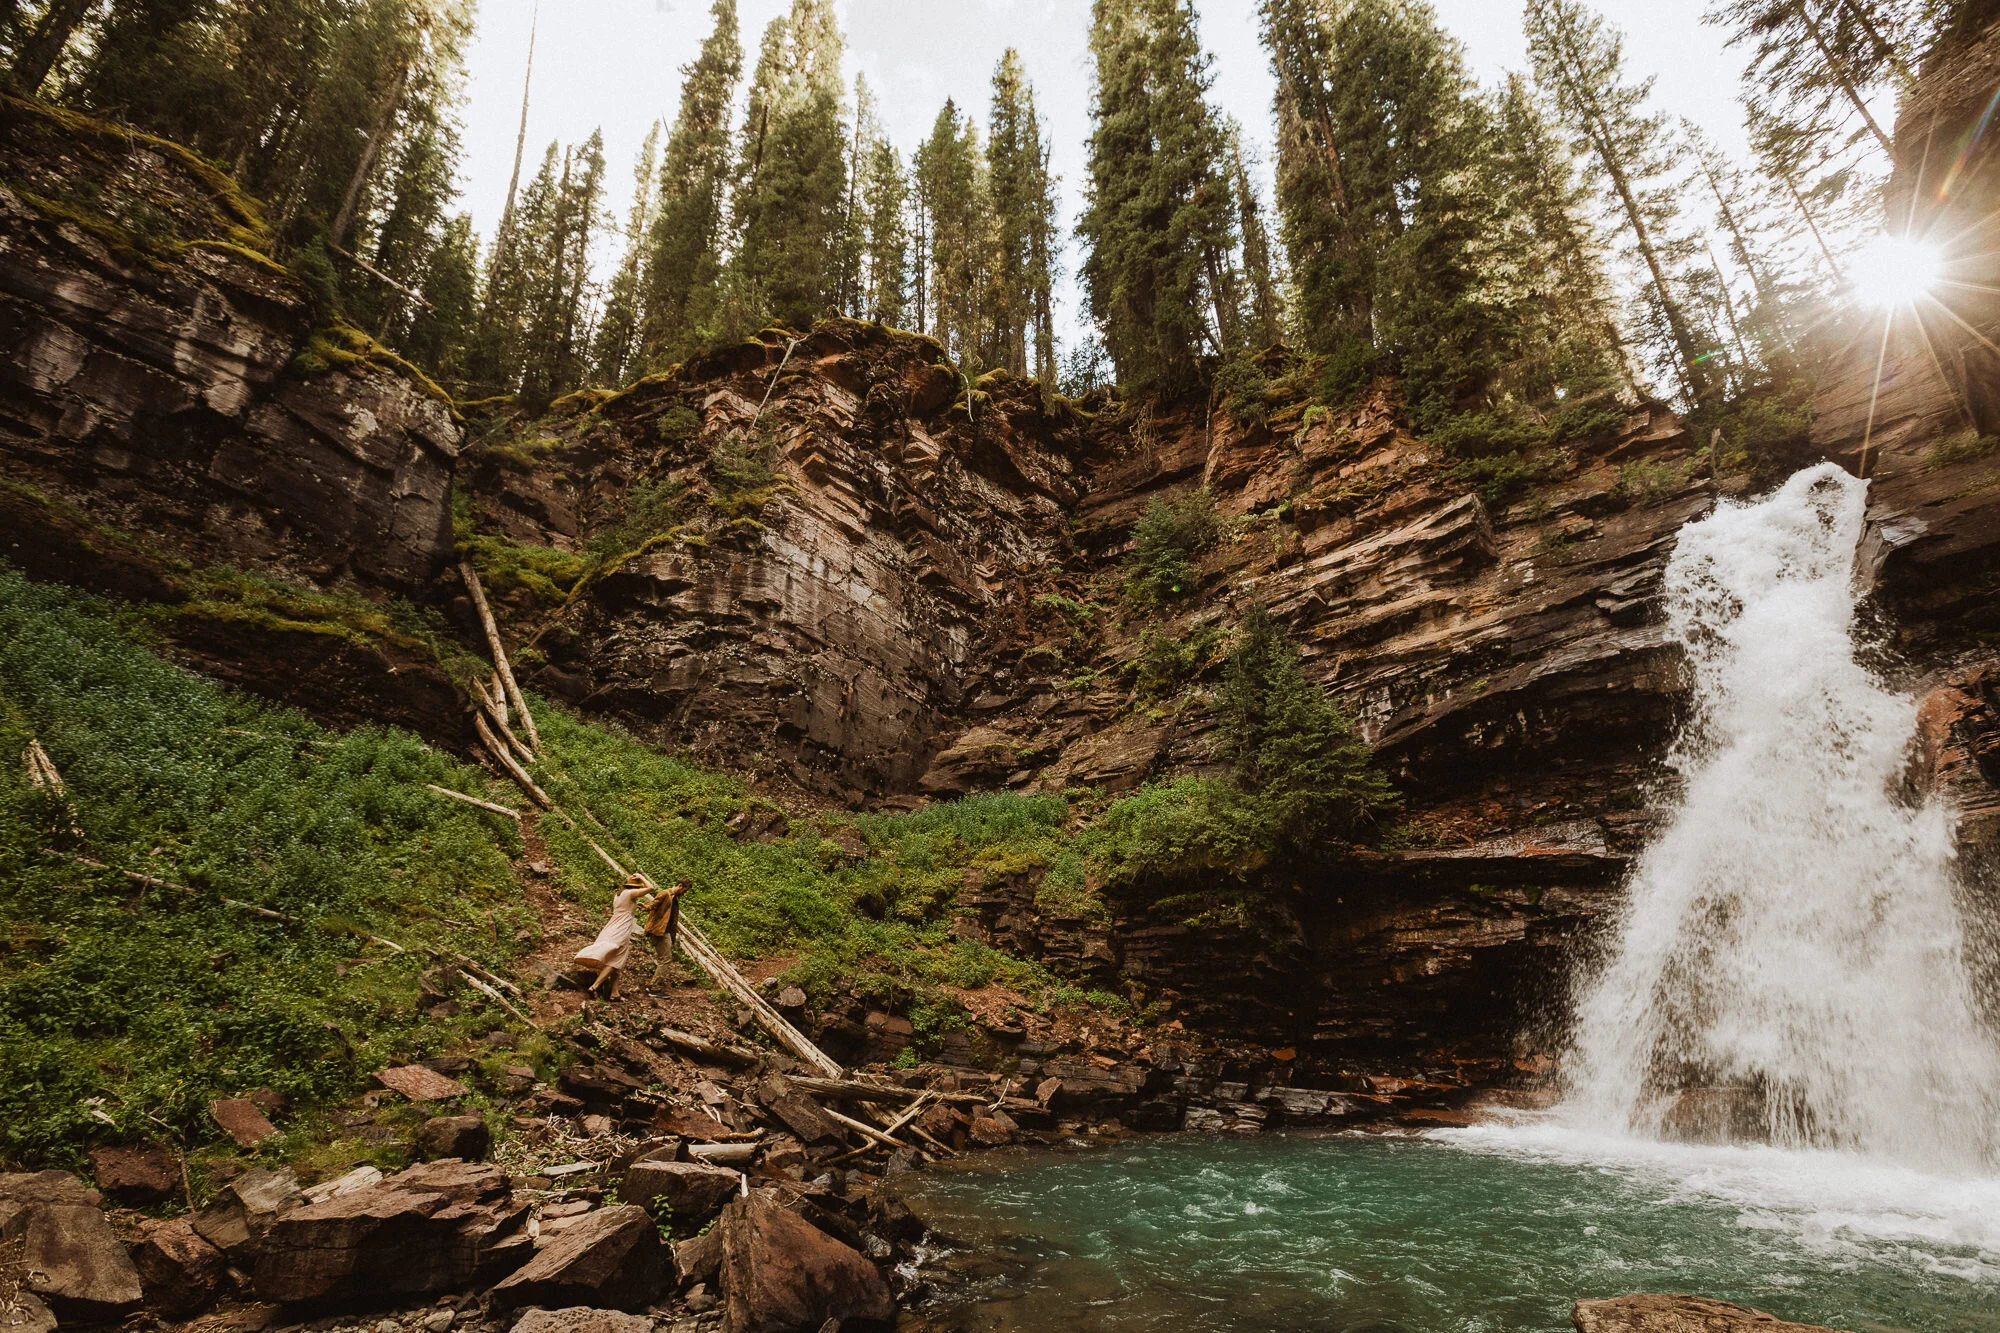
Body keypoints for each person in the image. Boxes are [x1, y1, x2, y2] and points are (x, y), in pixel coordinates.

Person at [573, 874, 653, 999]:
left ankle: (614, 993)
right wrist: (642, 877)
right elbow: (650, 888)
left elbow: (625, 908)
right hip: (622, 928)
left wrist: (637, 905)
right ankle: (595, 986)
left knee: (617, 959)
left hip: (612, 926)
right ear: (635, 887)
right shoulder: (631, 893)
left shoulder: (619, 894)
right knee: (616, 961)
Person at [644, 879, 690, 987]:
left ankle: (654, 985)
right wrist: (647, 907)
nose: (684, 893)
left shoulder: (675, 899)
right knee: (665, 959)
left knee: (664, 958)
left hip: (666, 931)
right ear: (680, 886)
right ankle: (654, 987)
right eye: (684, 890)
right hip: (659, 931)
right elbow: (654, 903)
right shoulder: (665, 894)